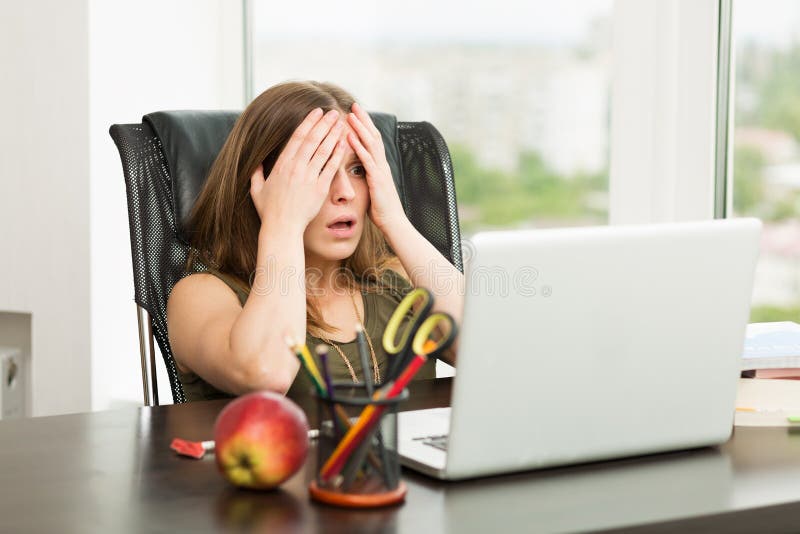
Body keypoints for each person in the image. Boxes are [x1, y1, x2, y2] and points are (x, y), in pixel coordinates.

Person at [166, 81, 464, 401]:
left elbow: (490, 353)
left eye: (358, 169)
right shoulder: (197, 296)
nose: (346, 192)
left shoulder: (397, 279)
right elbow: (268, 374)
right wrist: (282, 223)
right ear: (264, 184)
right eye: (319, 170)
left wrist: (395, 220)